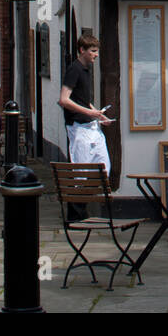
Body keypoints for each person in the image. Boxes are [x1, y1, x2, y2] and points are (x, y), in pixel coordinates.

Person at [59, 35, 111, 221]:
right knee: (81, 172)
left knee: (103, 167)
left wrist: (98, 114)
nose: (96, 55)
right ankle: (76, 215)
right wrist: (90, 114)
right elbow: (64, 99)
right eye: (93, 51)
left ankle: (82, 208)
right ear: (82, 50)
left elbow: (81, 99)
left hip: (91, 126)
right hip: (79, 127)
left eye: (97, 51)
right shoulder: (74, 69)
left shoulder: (85, 70)